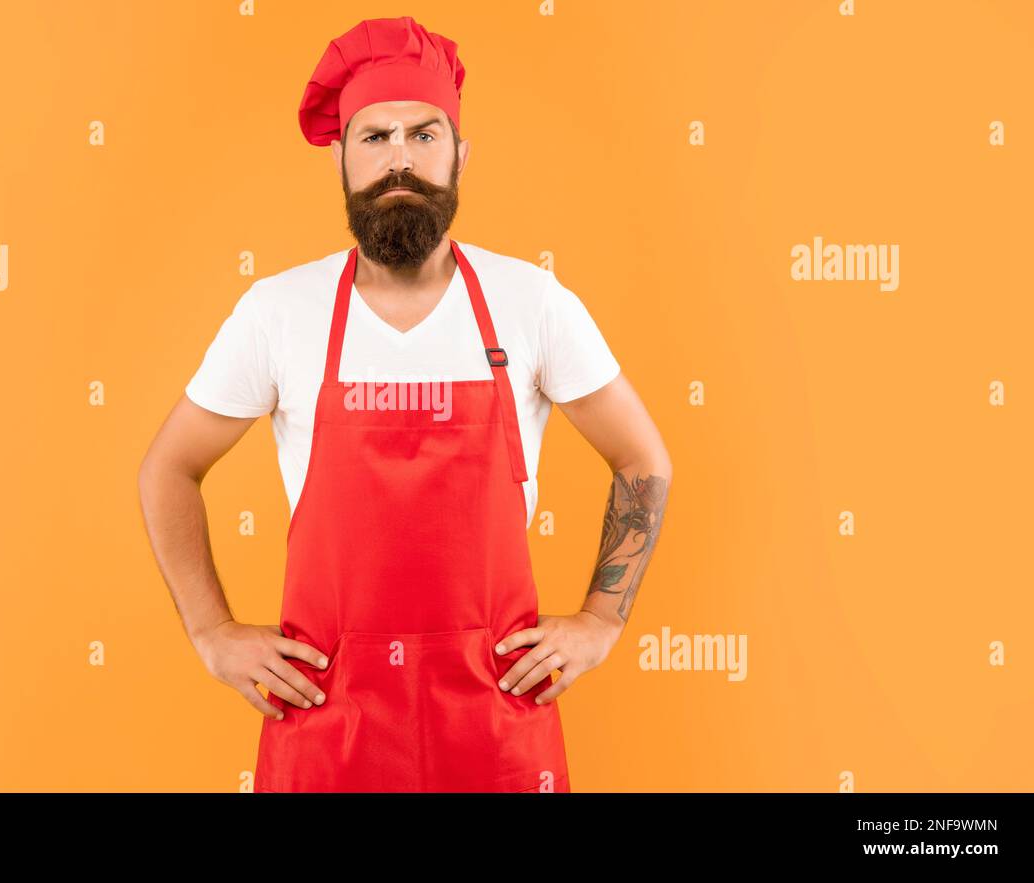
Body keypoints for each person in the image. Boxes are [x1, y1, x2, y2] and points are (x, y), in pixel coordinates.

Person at [138, 15, 672, 793]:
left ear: (460, 155)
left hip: (497, 724)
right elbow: (168, 469)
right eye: (376, 137)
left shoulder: (530, 302)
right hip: (327, 725)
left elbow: (642, 459)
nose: (400, 160)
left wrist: (601, 620)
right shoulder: (279, 310)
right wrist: (211, 631)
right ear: (340, 159)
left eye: (425, 136)